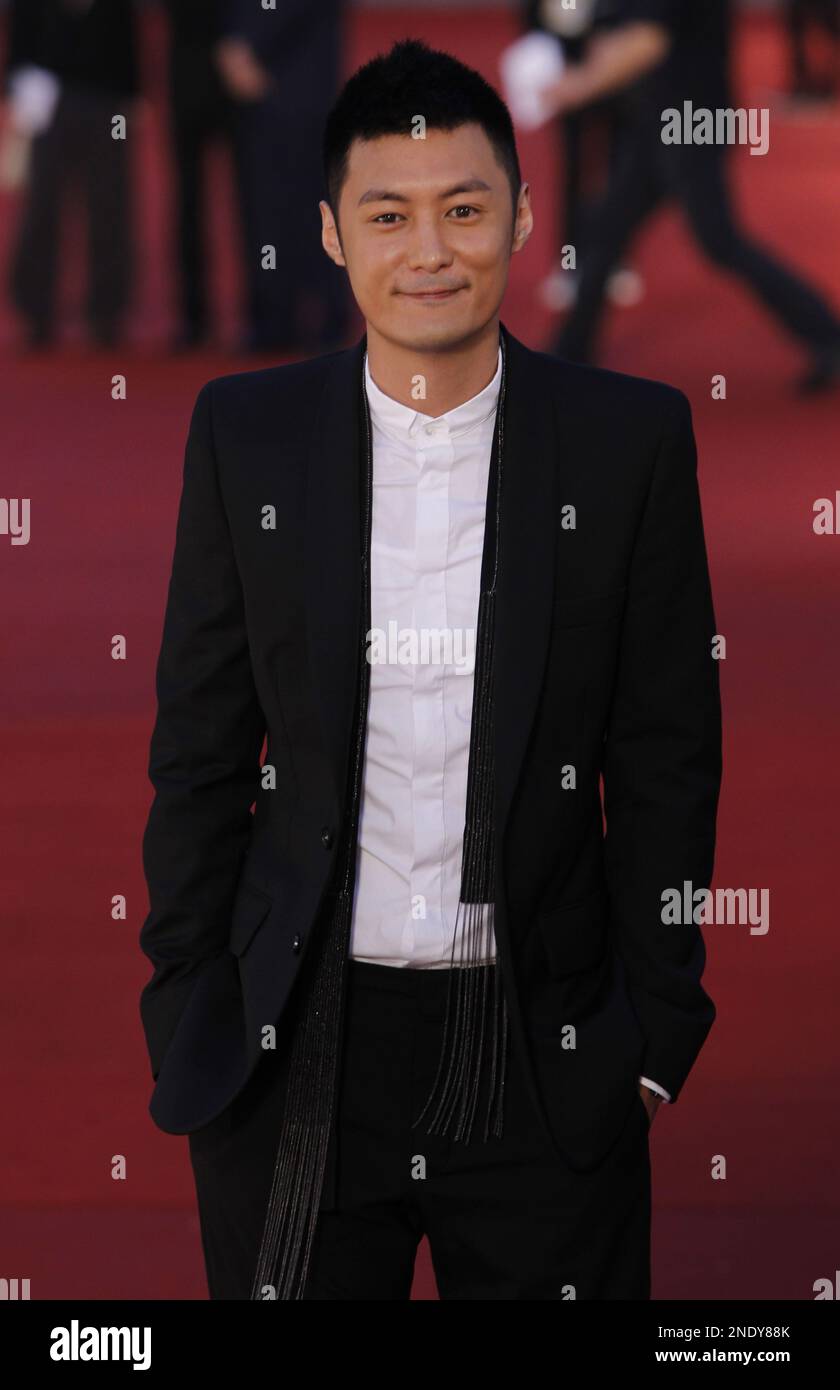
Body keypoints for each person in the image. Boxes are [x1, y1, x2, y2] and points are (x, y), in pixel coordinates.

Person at [139, 38, 721, 1301]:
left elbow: (669, 752)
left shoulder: (629, 444)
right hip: (297, 1041)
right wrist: (187, 1000)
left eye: (464, 209)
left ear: (520, 214)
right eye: (387, 216)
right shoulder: (250, 436)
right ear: (333, 234)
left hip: (544, 1048)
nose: (431, 251)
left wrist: (651, 1031)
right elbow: (199, 742)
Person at [541, 0, 840, 392]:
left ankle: (830, 338)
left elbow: (646, 42)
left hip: (688, 123)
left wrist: (577, 87)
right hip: (662, 119)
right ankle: (569, 353)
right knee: (609, 226)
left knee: (718, 240)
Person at [215, 0, 349, 354]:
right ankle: (276, 313)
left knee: (306, 203)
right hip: (261, 91)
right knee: (266, 208)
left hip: (297, 83)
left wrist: (245, 46)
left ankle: (318, 313)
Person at [4, 0, 138, 349]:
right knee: (41, 206)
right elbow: (20, 39)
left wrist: (133, 100)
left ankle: (106, 313)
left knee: (110, 205)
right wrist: (14, 96)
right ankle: (35, 312)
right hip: (45, 102)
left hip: (108, 104)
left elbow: (127, 39)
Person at [163, 1, 234, 351]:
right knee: (188, 203)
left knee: (254, 201)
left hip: (239, 75)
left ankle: (266, 310)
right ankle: (193, 315)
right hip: (188, 76)